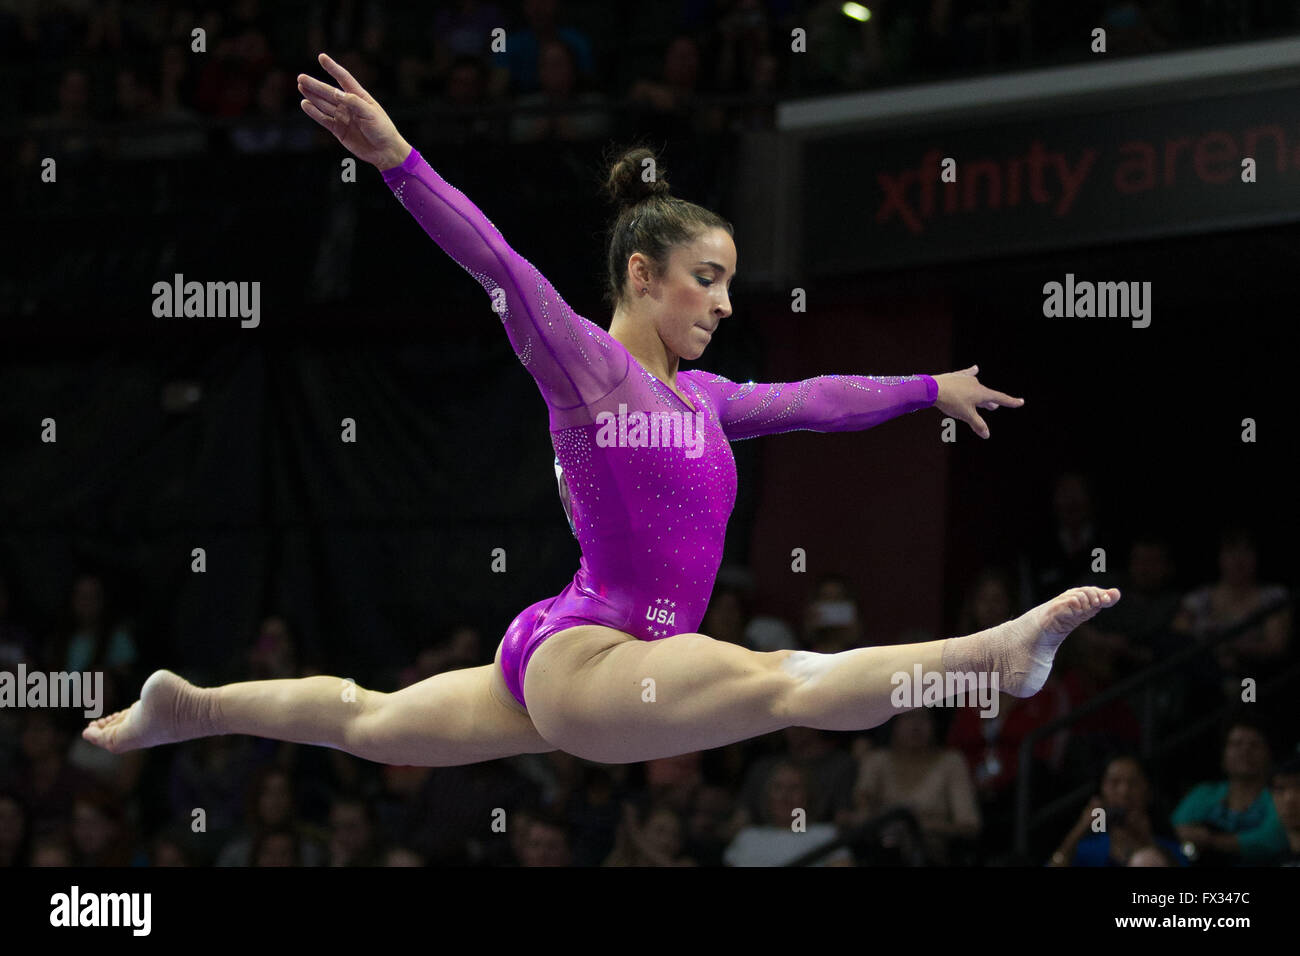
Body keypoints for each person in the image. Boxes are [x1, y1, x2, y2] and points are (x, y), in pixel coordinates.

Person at [84, 53, 1120, 778]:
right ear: (641, 274)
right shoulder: (587, 371)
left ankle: (195, 706)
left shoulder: (701, 398)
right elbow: (498, 262)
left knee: (371, 720)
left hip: (584, 652)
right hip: (595, 659)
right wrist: (399, 161)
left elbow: (810, 400)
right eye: (705, 280)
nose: (722, 303)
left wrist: (925, 390)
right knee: (778, 679)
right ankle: (985, 657)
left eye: (729, 284)